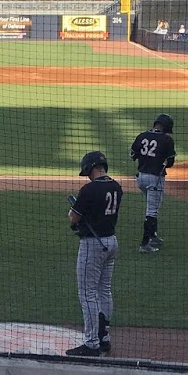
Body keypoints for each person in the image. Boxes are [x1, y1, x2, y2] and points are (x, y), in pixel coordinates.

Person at [66, 150, 122, 357]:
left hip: (93, 245)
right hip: (111, 241)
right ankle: (104, 338)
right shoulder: (117, 187)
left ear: (91, 168)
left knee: (87, 293)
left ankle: (91, 343)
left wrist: (74, 213)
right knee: (104, 290)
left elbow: (74, 218)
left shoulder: (89, 190)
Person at [130, 113, 175, 253]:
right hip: (155, 179)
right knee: (152, 211)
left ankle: (153, 236)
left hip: (141, 178)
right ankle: (144, 244)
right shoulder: (167, 140)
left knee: (152, 206)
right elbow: (171, 162)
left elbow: (133, 155)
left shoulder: (142, 136)